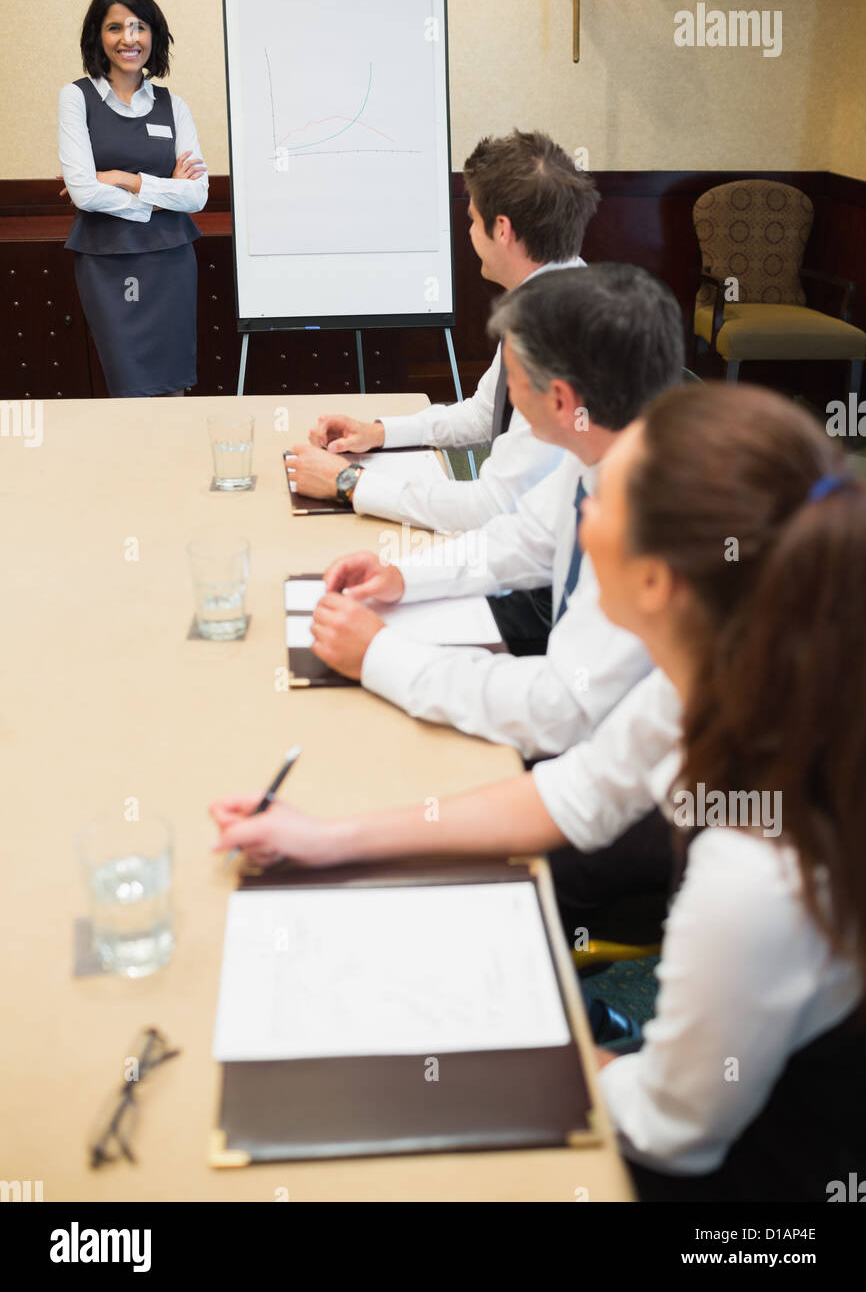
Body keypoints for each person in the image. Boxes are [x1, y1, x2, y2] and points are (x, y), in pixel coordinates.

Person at [211, 383, 866, 1200]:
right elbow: (573, 796)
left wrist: (514, 1043)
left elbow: (671, 1132)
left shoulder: (755, 874)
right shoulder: (720, 671)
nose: (579, 522)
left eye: (603, 511)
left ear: (658, 584)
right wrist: (329, 838)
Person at [305, 264, 683, 764]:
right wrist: (400, 576)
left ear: (560, 399)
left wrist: (379, 654)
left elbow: (558, 708)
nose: (507, 393)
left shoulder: (651, 524)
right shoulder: (595, 449)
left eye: (515, 377)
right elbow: (524, 540)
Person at [286, 129, 598, 542]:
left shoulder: (560, 334)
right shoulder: (554, 293)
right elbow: (486, 414)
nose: (468, 233)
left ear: (501, 229)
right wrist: (378, 433)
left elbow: (491, 508)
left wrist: (348, 483)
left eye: (471, 219)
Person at [58, 0, 207, 397]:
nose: (129, 38)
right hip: (108, 262)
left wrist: (126, 179)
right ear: (97, 36)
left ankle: (174, 461)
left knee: (173, 381)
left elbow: (197, 195)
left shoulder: (173, 105)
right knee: (128, 384)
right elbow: (86, 194)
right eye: (115, 27)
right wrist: (162, 197)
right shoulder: (76, 98)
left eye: (139, 26)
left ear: (153, 35)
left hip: (171, 260)